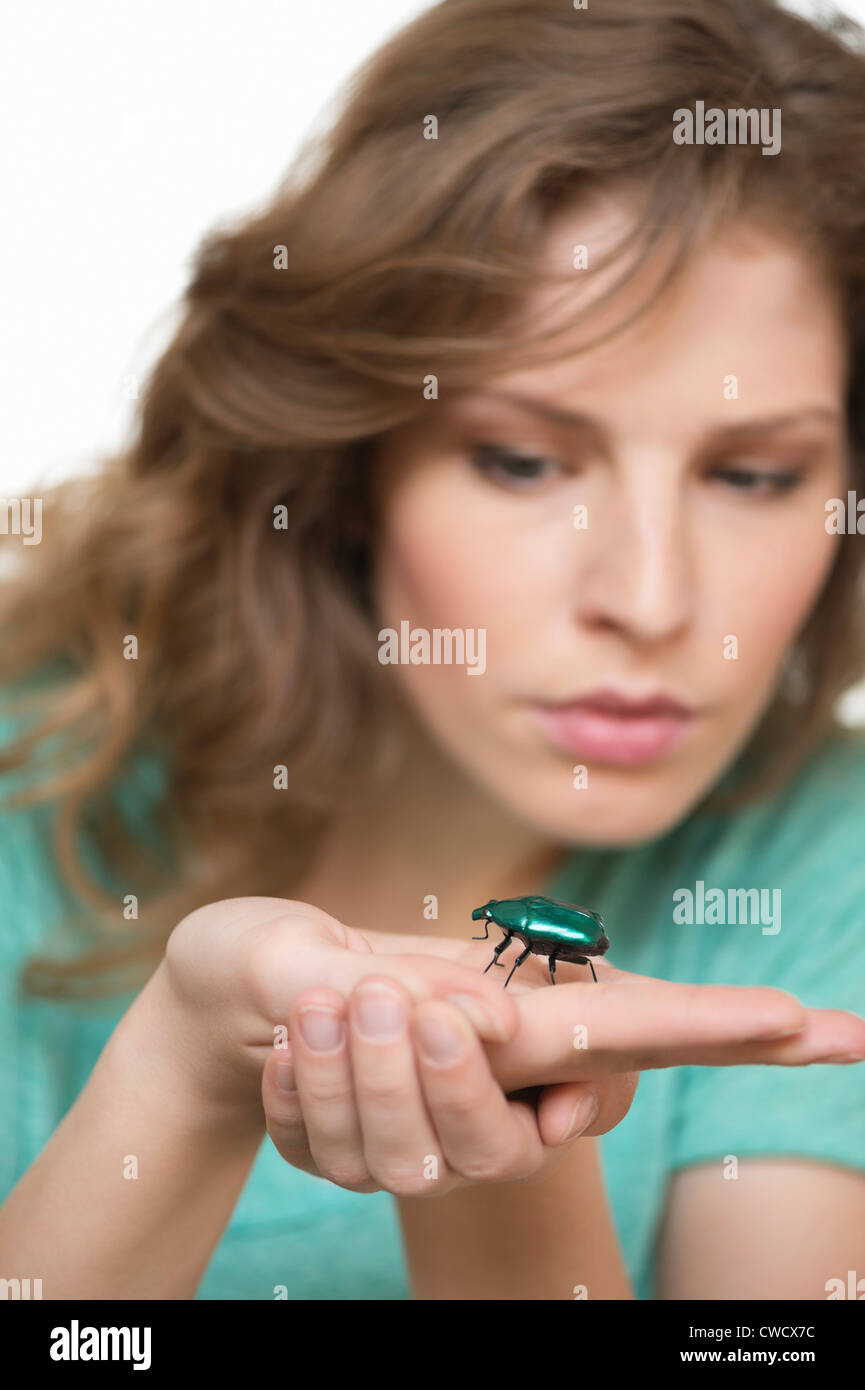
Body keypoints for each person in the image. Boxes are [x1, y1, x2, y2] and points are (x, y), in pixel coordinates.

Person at [2, 0, 865, 1301]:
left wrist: (497, 1157)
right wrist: (179, 1074)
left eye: (750, 473)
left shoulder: (827, 866)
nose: (647, 596)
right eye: (520, 460)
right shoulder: (32, 772)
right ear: (345, 464)